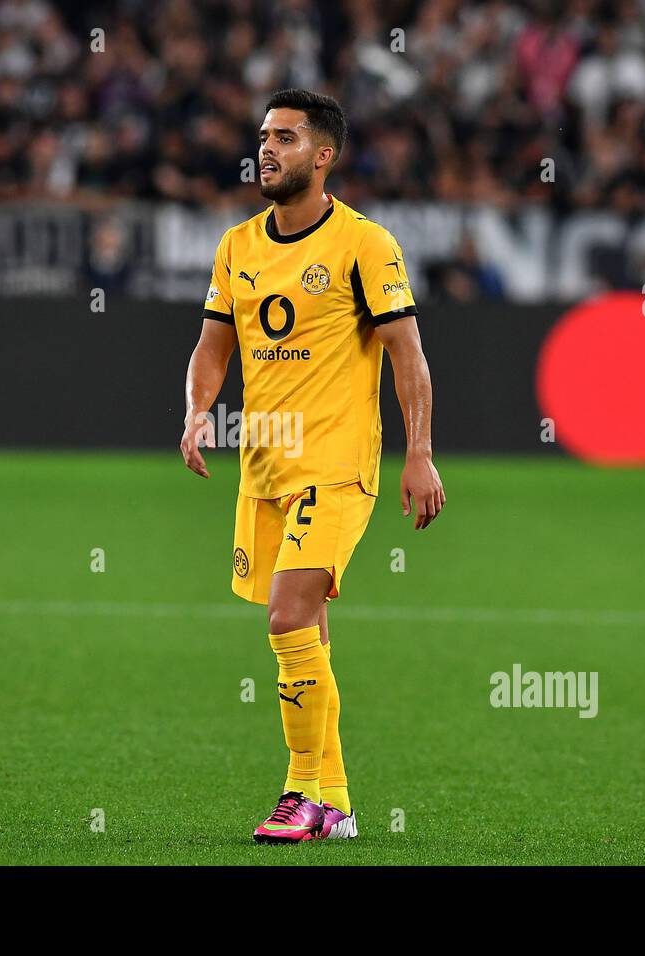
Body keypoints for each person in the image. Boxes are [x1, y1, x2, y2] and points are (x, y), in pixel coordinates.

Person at [179, 89, 446, 844]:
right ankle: (338, 803)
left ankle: (301, 793)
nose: (267, 148)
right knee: (309, 636)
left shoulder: (365, 244)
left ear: (322, 156)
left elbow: (408, 357)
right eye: (264, 135)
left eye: (286, 138)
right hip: (263, 466)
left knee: (288, 616)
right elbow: (213, 345)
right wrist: (197, 409)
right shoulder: (237, 245)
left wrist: (419, 454)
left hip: (334, 464)